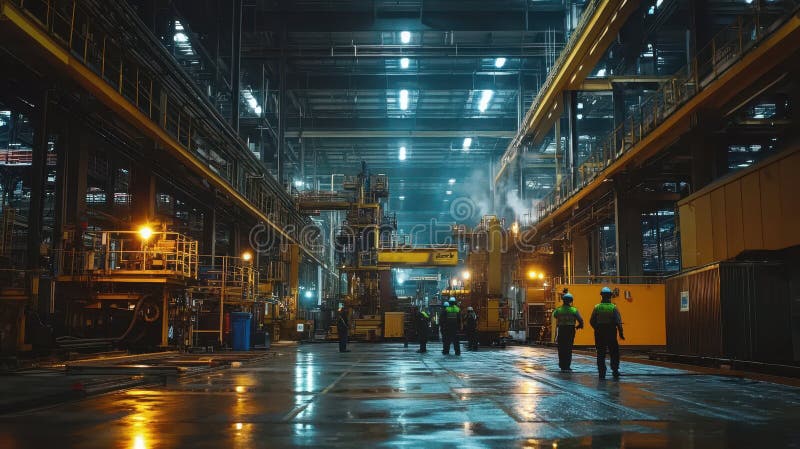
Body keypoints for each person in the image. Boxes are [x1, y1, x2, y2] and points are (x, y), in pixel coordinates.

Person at [590, 287, 625, 379]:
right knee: (614, 352)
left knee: (600, 352)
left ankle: (602, 372)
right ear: (610, 296)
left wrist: (596, 328)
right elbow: (618, 322)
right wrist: (621, 333)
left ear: (601, 296)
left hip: (599, 332)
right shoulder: (613, 307)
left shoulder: (597, 307)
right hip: (611, 332)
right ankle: (615, 370)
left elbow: (591, 321)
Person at [552, 292, 584, 372]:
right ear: (571, 301)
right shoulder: (574, 310)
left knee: (561, 348)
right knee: (568, 348)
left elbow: (555, 315)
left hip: (561, 330)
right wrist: (580, 325)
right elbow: (580, 320)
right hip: (570, 330)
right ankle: (567, 366)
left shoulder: (558, 310)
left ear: (563, 300)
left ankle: (562, 365)